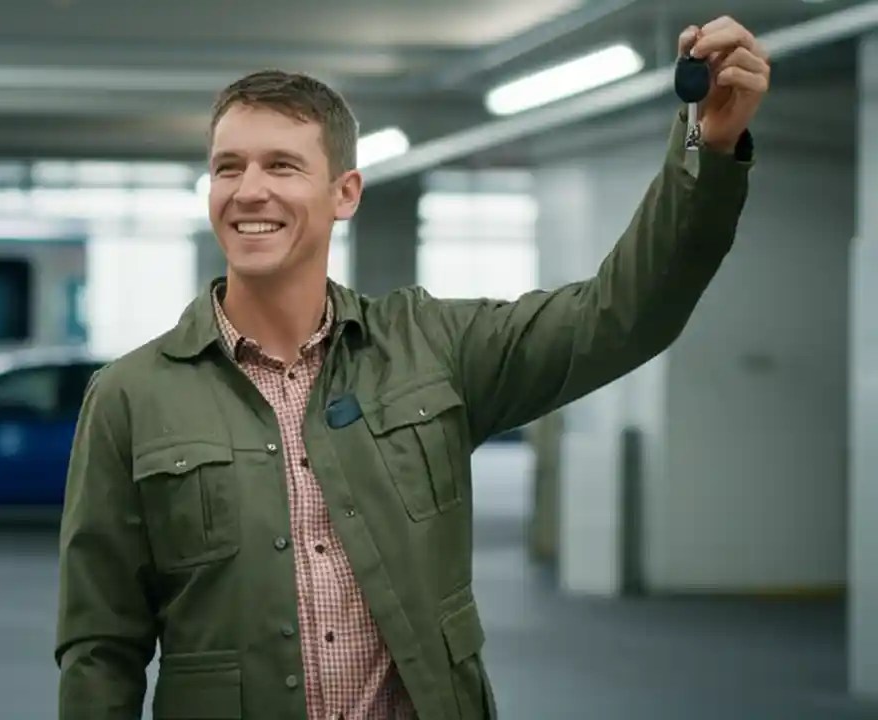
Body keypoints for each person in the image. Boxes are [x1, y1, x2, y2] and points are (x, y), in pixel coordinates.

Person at [55, 15, 770, 720]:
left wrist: (708, 147)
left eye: (282, 165)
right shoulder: (130, 396)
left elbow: (620, 315)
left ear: (345, 193)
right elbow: (100, 648)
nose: (249, 190)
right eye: (227, 167)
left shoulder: (433, 349)